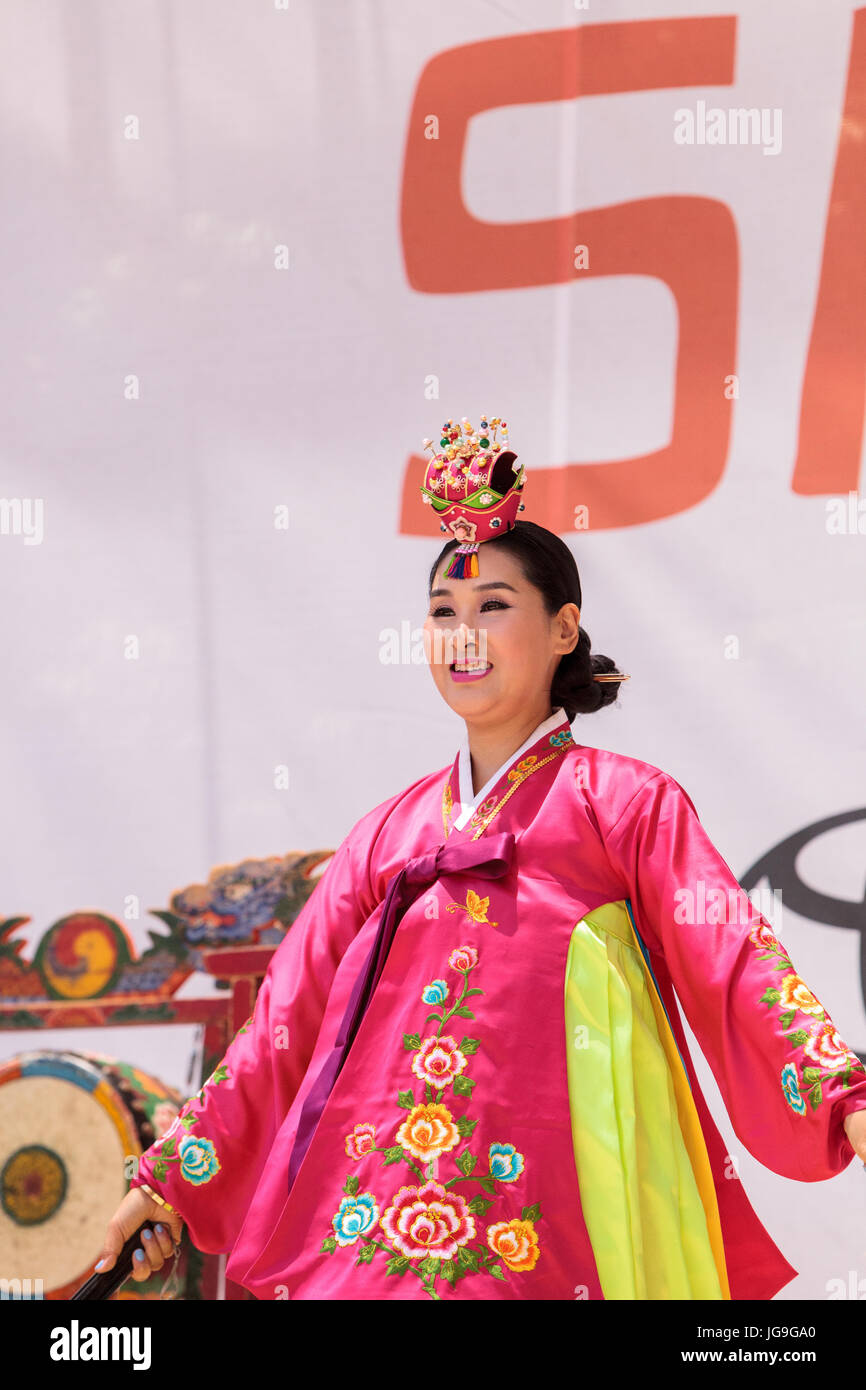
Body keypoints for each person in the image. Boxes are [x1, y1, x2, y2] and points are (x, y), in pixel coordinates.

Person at [95, 415, 866, 1300]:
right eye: (442, 613)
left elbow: (731, 962)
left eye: (494, 607)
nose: (464, 633)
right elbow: (281, 1024)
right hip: (382, 1211)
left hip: (564, 1202)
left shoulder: (626, 803)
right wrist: (169, 1186)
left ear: (565, 627)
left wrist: (845, 1099)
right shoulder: (386, 836)